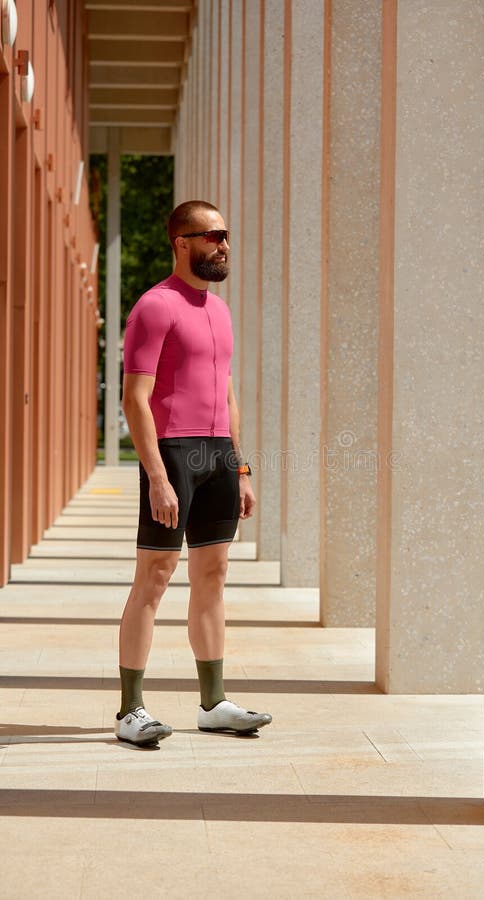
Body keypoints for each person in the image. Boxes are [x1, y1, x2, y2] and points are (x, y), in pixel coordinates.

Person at [115, 200, 272, 747]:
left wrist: (241, 468)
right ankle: (130, 709)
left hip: (217, 456)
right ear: (182, 243)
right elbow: (135, 399)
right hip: (173, 452)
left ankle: (214, 702)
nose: (224, 245)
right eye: (214, 236)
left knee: (213, 575)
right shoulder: (154, 307)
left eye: (226, 235)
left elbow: (227, 394)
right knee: (154, 577)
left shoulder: (219, 310)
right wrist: (157, 476)